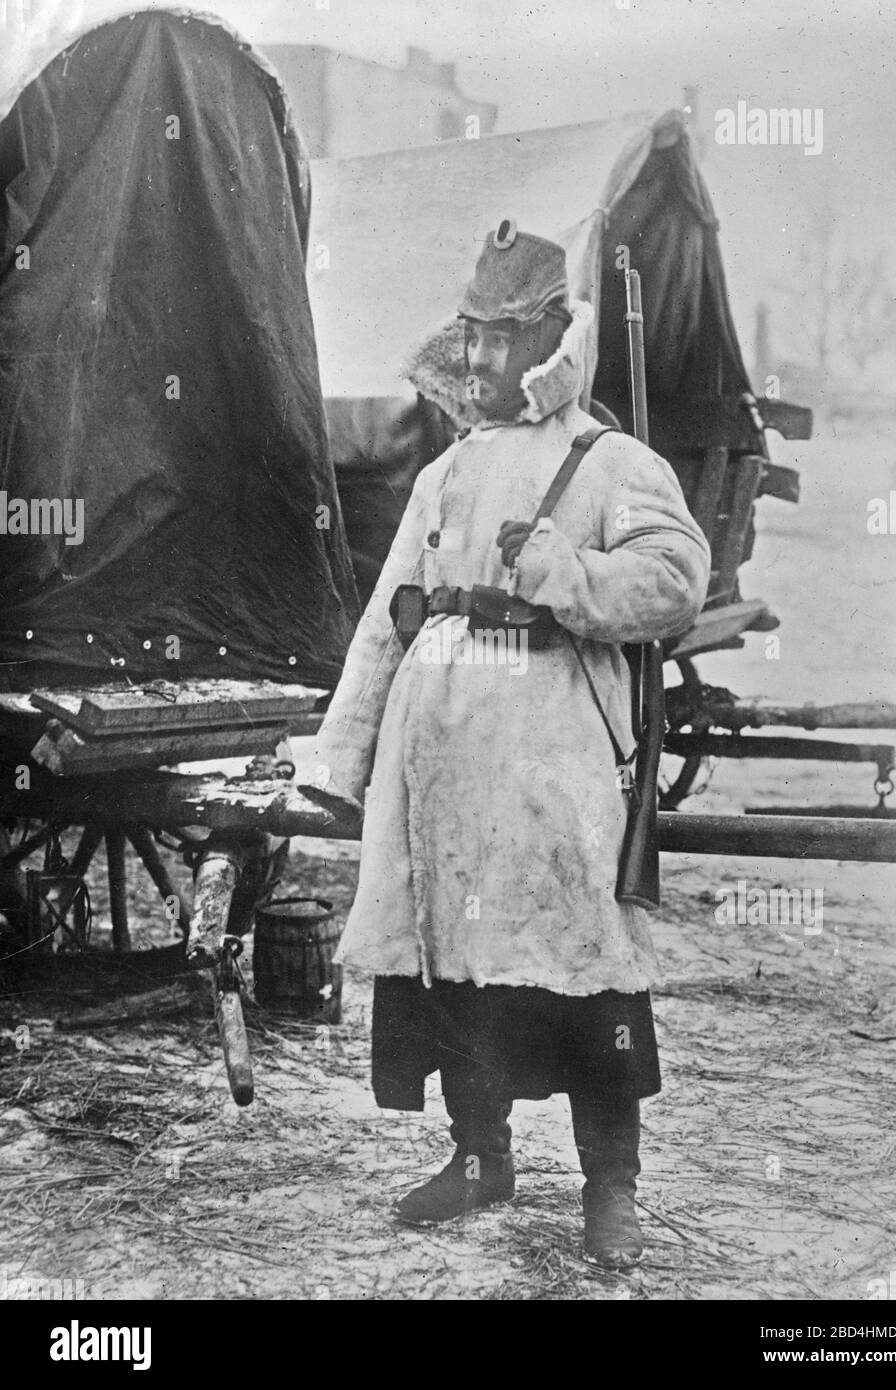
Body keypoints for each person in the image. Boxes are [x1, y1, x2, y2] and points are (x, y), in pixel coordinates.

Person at [310, 223, 711, 1266]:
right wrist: (339, 761)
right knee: (454, 966)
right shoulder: (446, 473)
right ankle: (480, 1155)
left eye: (503, 337)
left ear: (551, 338)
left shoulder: (612, 461)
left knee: (585, 973)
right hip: (439, 769)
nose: (482, 359)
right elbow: (387, 619)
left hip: (553, 769)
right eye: (471, 337)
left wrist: (568, 573)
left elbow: (676, 577)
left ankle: (608, 1189)